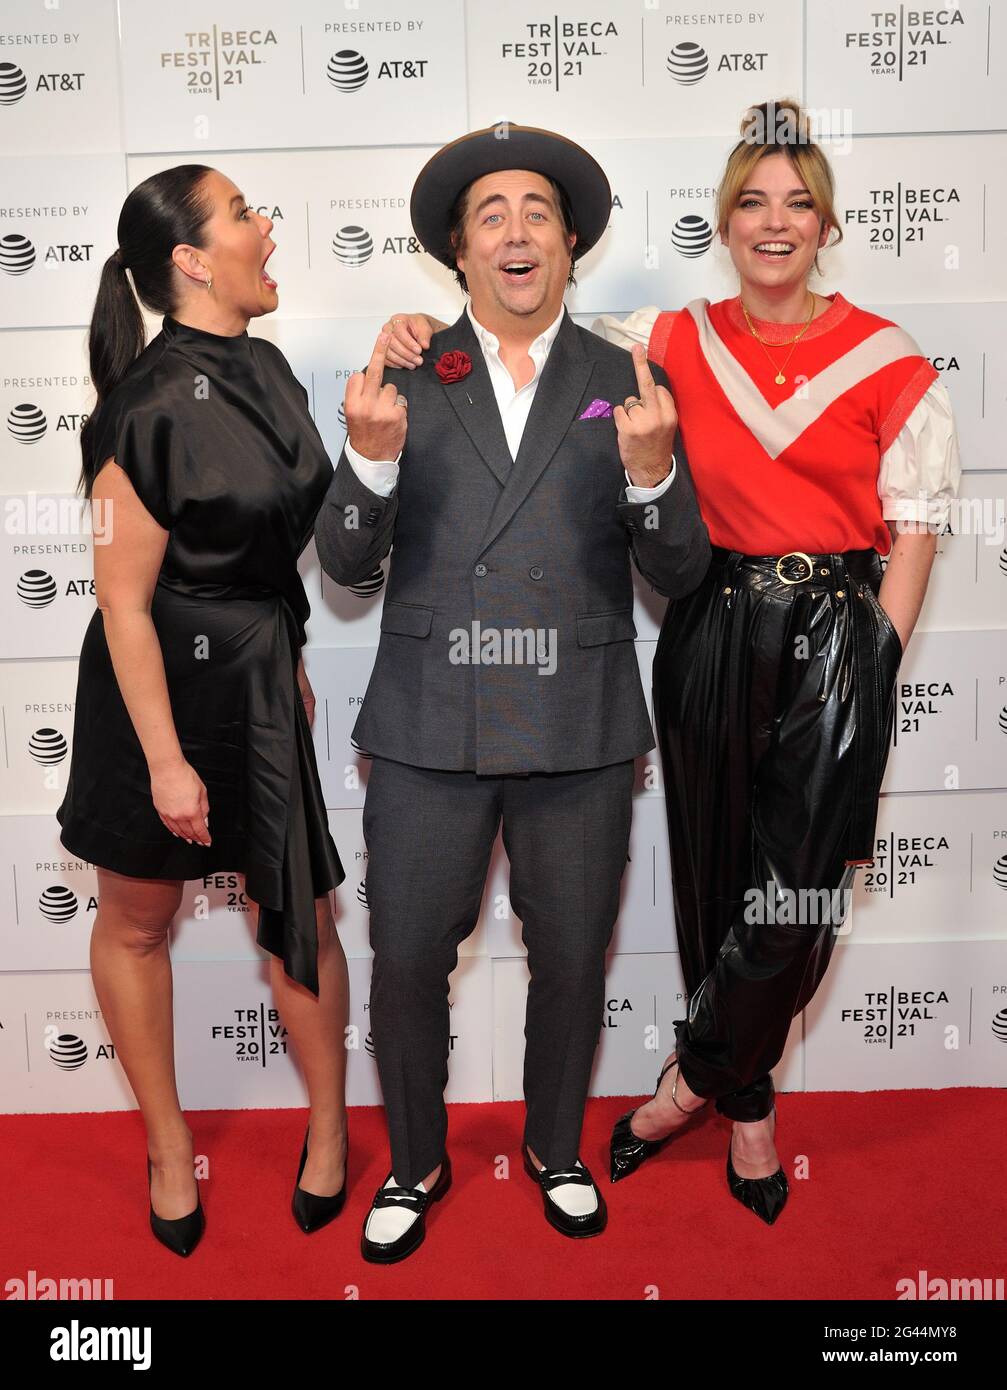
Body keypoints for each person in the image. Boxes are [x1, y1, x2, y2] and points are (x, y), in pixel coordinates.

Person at [386, 98, 961, 1226]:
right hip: (706, 623)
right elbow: (529, 352)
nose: (773, 222)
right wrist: (411, 337)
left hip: (836, 630)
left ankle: (689, 1076)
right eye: (751, 201)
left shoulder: (884, 354)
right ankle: (748, 1112)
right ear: (724, 222)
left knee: (797, 889)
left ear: (827, 223)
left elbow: (918, 521)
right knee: (711, 877)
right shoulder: (663, 341)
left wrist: (876, 659)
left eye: (796, 203)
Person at [313, 121, 710, 1263]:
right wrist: (371, 458)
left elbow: (678, 572)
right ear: (458, 248)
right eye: (490, 215)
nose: (516, 230)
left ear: (571, 240)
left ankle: (554, 1148)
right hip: (431, 715)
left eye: (537, 210)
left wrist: (652, 476)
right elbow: (343, 566)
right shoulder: (401, 370)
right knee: (406, 959)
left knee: (573, 951)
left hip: (578, 720)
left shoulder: (625, 377)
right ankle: (416, 1161)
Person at [57, 165, 350, 1257]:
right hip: (153, 696)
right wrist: (168, 761)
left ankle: (327, 1133)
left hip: (258, 673)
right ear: (190, 258)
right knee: (138, 921)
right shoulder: (141, 405)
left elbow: (277, 547)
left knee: (302, 919)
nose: (266, 226)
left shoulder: (268, 368)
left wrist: (288, 654)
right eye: (242, 215)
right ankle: (169, 1147)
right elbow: (123, 605)